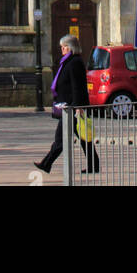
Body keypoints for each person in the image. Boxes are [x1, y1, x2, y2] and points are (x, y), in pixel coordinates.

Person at [35, 35, 100, 175]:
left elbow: (78, 87)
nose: (62, 49)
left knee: (61, 139)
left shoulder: (75, 62)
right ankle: (94, 165)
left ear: (71, 47)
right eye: (61, 46)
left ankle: (46, 164)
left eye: (64, 46)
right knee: (82, 139)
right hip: (68, 107)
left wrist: (78, 107)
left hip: (73, 108)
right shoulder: (67, 61)